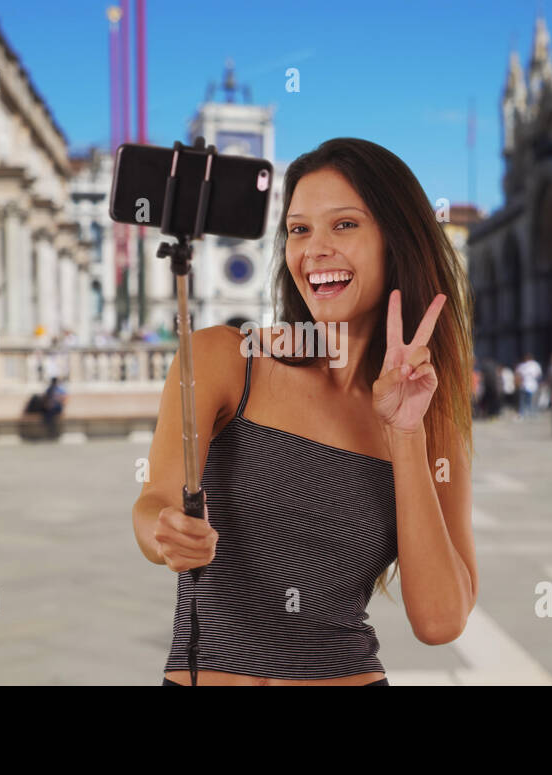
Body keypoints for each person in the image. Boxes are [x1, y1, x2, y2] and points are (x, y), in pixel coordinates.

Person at [134, 138, 475, 686]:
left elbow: (440, 622)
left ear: (397, 240)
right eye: (298, 229)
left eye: (344, 225)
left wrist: (405, 435)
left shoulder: (431, 421)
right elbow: (153, 503)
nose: (314, 249)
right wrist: (165, 533)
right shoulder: (225, 359)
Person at [515, 353, 542, 419]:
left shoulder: (533, 365)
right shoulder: (523, 365)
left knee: (529, 400)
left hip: (530, 385)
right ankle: (526, 413)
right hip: (526, 385)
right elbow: (518, 374)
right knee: (525, 400)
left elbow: (538, 375)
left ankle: (529, 413)